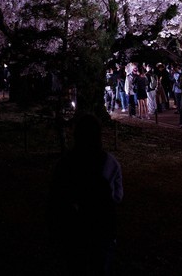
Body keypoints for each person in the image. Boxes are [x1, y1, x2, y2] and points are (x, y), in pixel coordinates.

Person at [47, 114, 123, 276]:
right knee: (100, 266)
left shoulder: (65, 163)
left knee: (76, 266)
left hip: (73, 226)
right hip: (102, 226)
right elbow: (117, 196)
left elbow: (57, 194)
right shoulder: (110, 162)